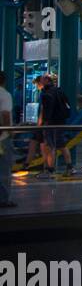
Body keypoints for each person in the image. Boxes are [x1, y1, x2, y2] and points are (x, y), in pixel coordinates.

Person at [36, 74, 74, 177]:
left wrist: (41, 123)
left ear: (46, 81)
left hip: (50, 122)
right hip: (61, 121)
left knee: (50, 146)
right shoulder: (59, 91)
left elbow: (44, 110)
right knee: (61, 145)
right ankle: (70, 167)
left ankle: (50, 170)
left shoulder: (46, 93)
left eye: (41, 80)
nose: (40, 82)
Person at [0, 71, 14, 208]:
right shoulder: (5, 95)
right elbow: (5, 114)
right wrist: (9, 131)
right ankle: (3, 199)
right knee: (4, 168)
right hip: (2, 138)